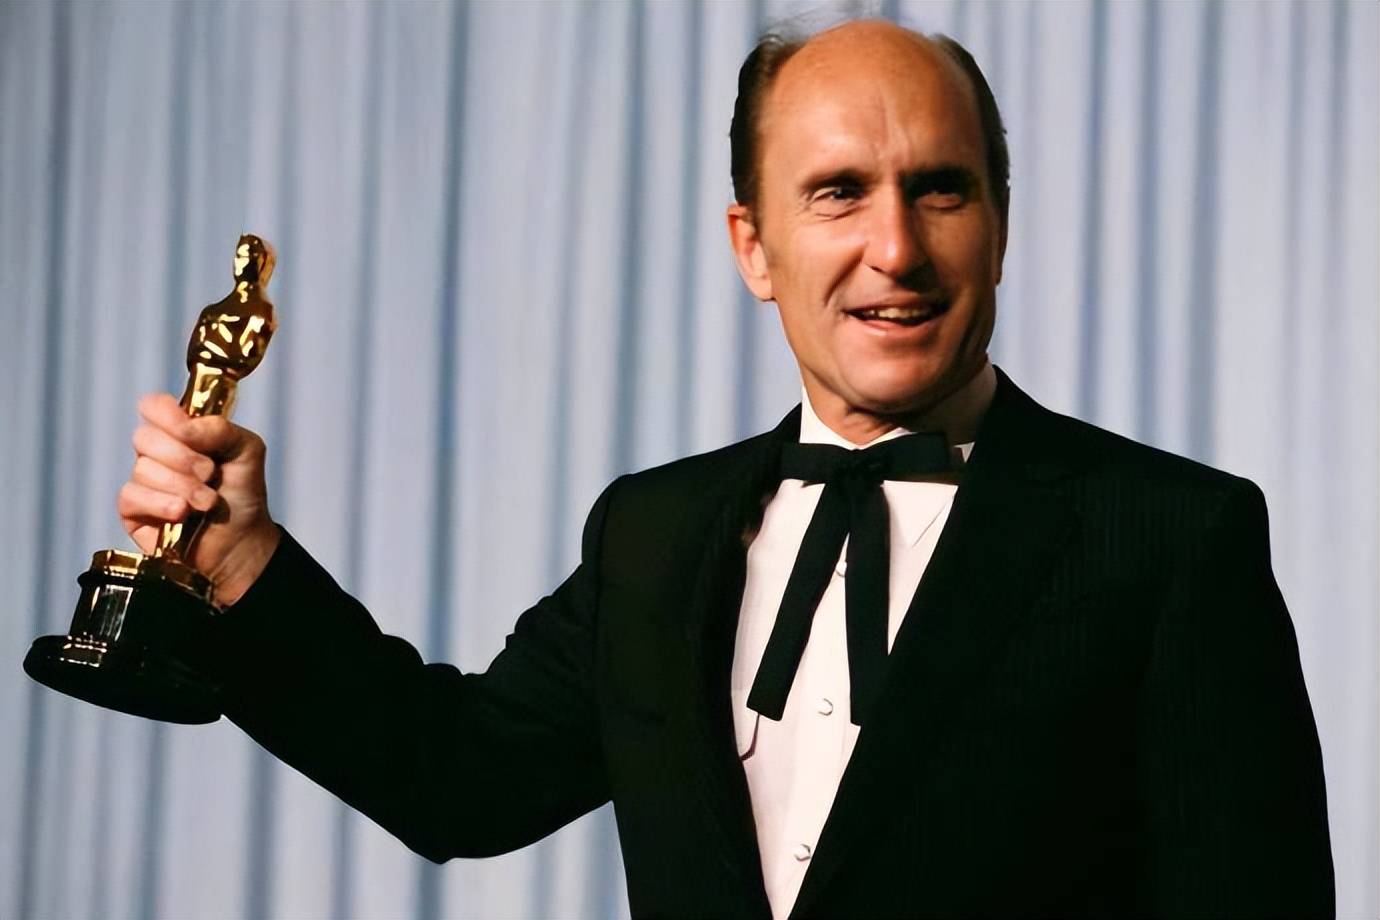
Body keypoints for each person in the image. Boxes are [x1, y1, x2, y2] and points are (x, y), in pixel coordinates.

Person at [118, 20, 1334, 919]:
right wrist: (245, 562)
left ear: (999, 226)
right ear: (753, 245)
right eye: (838, 193)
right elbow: (458, 778)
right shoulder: (652, 532)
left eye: (940, 190)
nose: (895, 247)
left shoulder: (1172, 537)